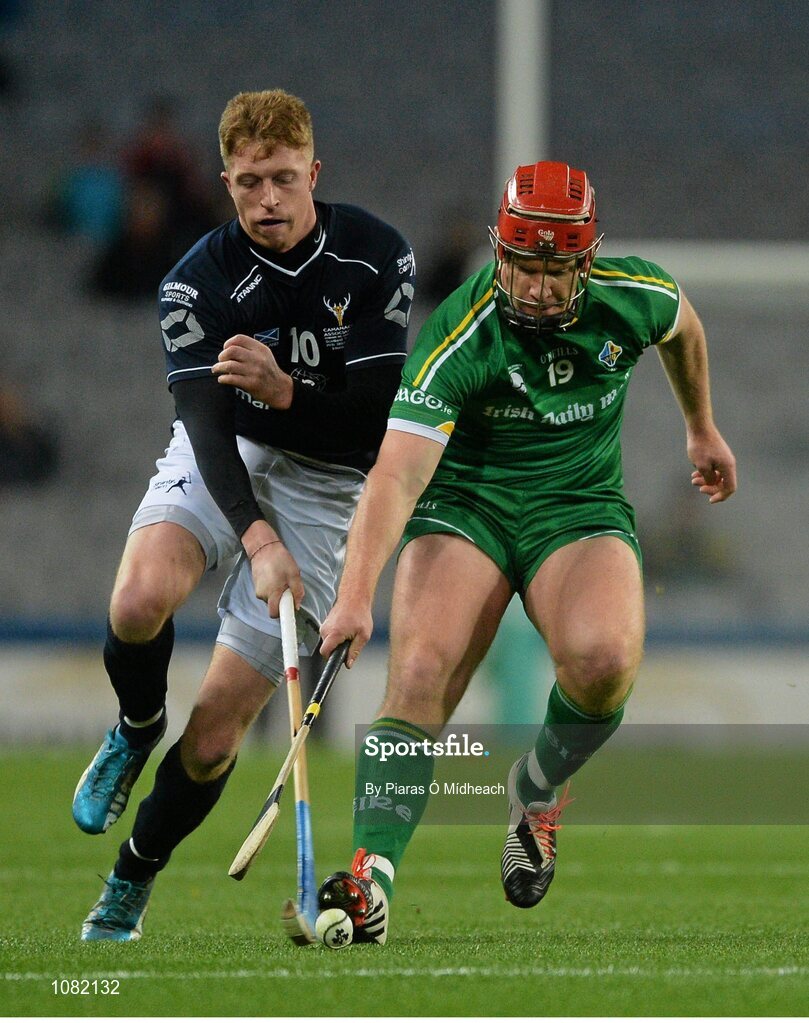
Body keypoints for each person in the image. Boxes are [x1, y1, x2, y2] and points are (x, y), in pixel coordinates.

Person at [315, 161, 737, 945]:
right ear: (499, 252)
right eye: (522, 264)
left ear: (585, 260)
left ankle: (534, 795)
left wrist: (699, 427)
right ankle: (370, 881)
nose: (537, 286)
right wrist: (351, 595)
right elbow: (397, 476)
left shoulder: (631, 295)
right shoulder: (460, 332)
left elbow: (684, 327)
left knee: (606, 663)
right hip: (465, 507)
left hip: (576, 509)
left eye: (555, 268)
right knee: (416, 674)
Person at [72, 89, 415, 941]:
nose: (268, 200)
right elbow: (203, 424)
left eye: (285, 179)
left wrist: (287, 390)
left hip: (326, 484)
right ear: (225, 180)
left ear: (314, 172)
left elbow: (372, 422)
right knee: (137, 599)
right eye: (250, 182)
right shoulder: (196, 279)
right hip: (228, 453)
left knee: (219, 729)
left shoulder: (377, 257)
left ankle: (131, 877)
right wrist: (256, 537)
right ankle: (133, 724)